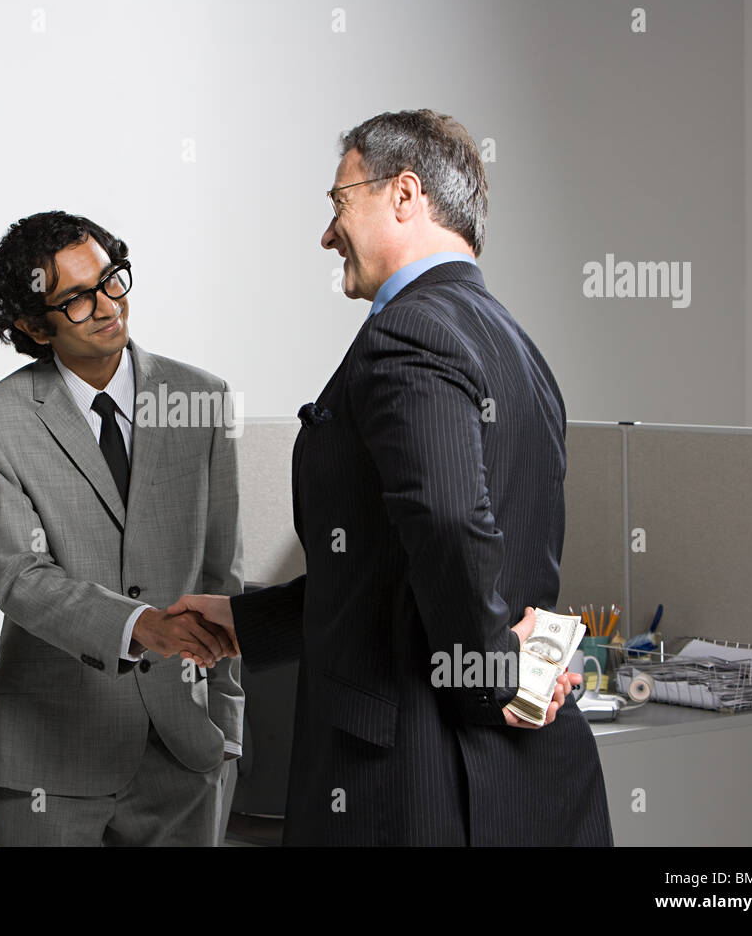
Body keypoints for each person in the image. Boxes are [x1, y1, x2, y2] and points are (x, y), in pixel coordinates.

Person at [171, 111, 613, 846]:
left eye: (338, 204)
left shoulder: (410, 331)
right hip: (513, 775)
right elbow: (390, 570)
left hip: (413, 782)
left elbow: (446, 519)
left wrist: (489, 671)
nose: (326, 233)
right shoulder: (515, 346)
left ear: (404, 195)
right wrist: (245, 622)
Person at [0, 211, 243, 846]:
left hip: (184, 755)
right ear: (33, 325)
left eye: (112, 280)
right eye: (77, 299)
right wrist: (139, 625)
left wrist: (226, 729)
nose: (107, 305)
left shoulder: (202, 399)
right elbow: (20, 577)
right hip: (51, 761)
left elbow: (224, 573)